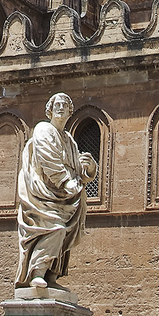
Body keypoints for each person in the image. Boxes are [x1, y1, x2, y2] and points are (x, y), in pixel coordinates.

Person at [14, 92, 98, 292]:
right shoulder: (44, 129)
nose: (61, 108)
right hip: (43, 195)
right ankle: (36, 272)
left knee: (65, 232)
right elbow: (48, 159)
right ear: (49, 110)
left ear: (70, 112)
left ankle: (50, 276)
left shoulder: (68, 139)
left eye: (65, 105)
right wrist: (64, 182)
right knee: (57, 229)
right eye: (57, 105)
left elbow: (77, 168)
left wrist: (90, 169)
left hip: (65, 199)